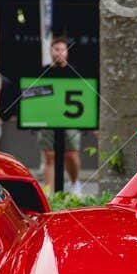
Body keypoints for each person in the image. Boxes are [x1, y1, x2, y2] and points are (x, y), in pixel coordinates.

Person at [36, 35, 82, 193]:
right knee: (49, 155)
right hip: (48, 119)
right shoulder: (44, 72)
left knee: (71, 154)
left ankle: (75, 183)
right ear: (51, 51)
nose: (59, 52)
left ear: (67, 52)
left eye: (63, 49)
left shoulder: (75, 72)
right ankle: (49, 191)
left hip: (70, 119)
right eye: (56, 49)